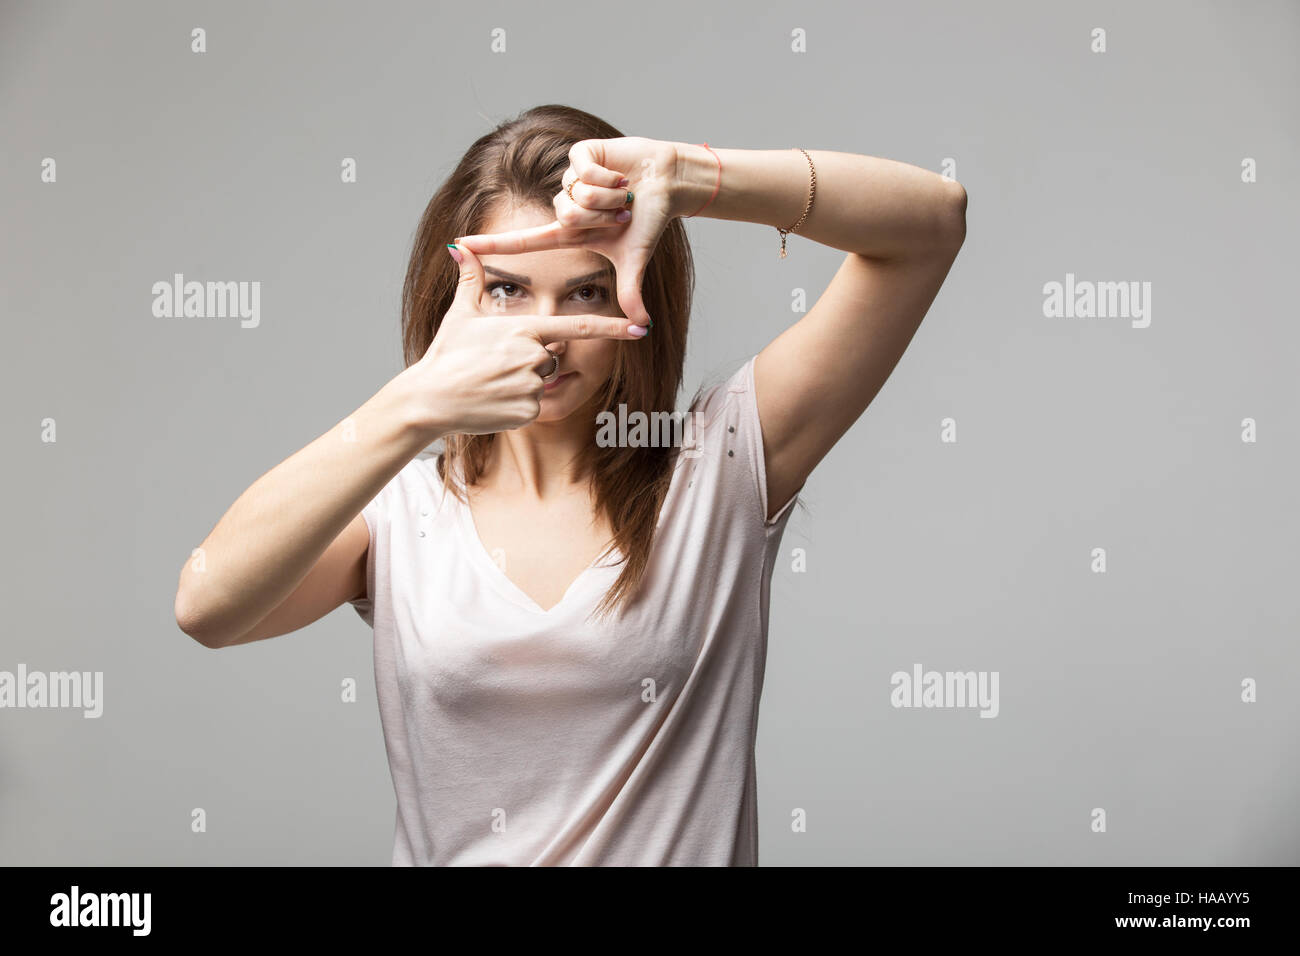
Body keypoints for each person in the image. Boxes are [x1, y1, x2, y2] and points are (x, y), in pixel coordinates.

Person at [173, 104, 967, 865]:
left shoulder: (720, 468)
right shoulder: (401, 515)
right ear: (451, 295)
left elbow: (932, 222)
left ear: (637, 297)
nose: (544, 333)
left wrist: (694, 176)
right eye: (507, 289)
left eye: (585, 290)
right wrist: (413, 405)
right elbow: (208, 607)